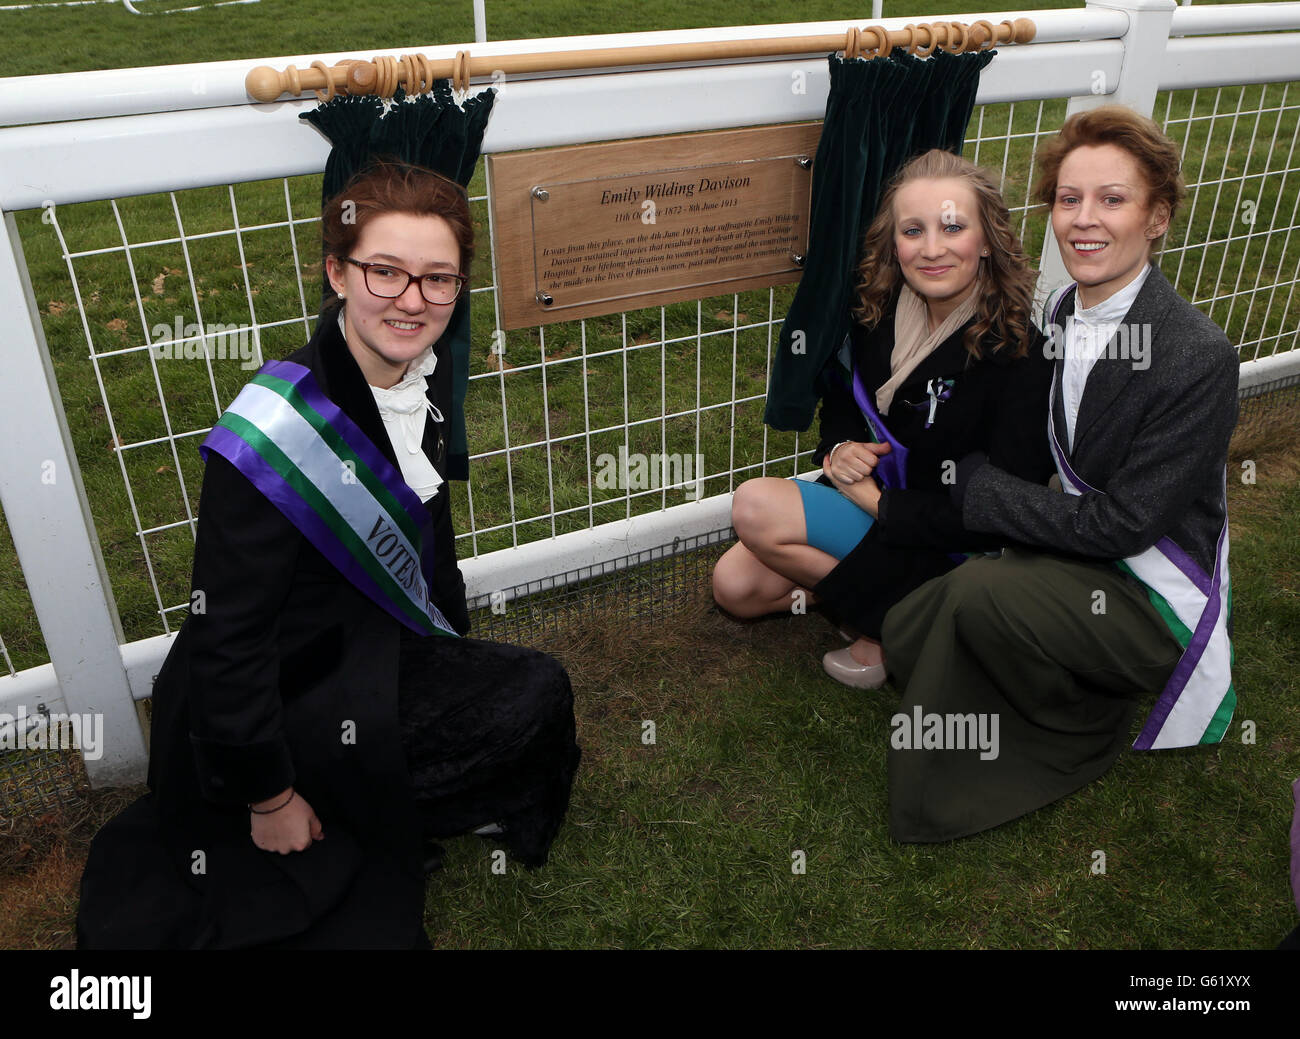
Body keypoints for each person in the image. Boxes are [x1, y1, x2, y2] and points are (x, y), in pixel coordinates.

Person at [76, 161, 581, 949]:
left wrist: (456, 652)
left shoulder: (421, 381)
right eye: (386, 271)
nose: (412, 299)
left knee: (533, 695)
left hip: (371, 650)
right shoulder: (276, 431)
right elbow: (227, 634)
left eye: (437, 279)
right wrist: (269, 795)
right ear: (337, 273)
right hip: (279, 692)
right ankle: (325, 797)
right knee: (532, 697)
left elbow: (429, 553)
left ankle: (369, 793)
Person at [882, 106, 1238, 842]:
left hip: (1151, 595)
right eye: (1069, 199)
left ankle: (1068, 728)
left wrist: (982, 491)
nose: (1085, 220)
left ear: (1158, 216)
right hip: (1082, 554)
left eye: (1113, 199)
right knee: (909, 622)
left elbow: (1125, 524)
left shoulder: (1195, 354)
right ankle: (1041, 683)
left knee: (977, 593)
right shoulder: (1067, 310)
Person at [711, 149, 1054, 687]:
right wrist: (841, 446)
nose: (932, 249)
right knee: (736, 588)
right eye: (913, 231)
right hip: (872, 505)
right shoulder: (878, 308)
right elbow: (843, 403)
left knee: (756, 505)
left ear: (987, 240)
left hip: (947, 540)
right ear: (894, 243)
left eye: (953, 227)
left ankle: (899, 623)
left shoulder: (1020, 354)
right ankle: (901, 613)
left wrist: (876, 501)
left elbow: (1000, 509)